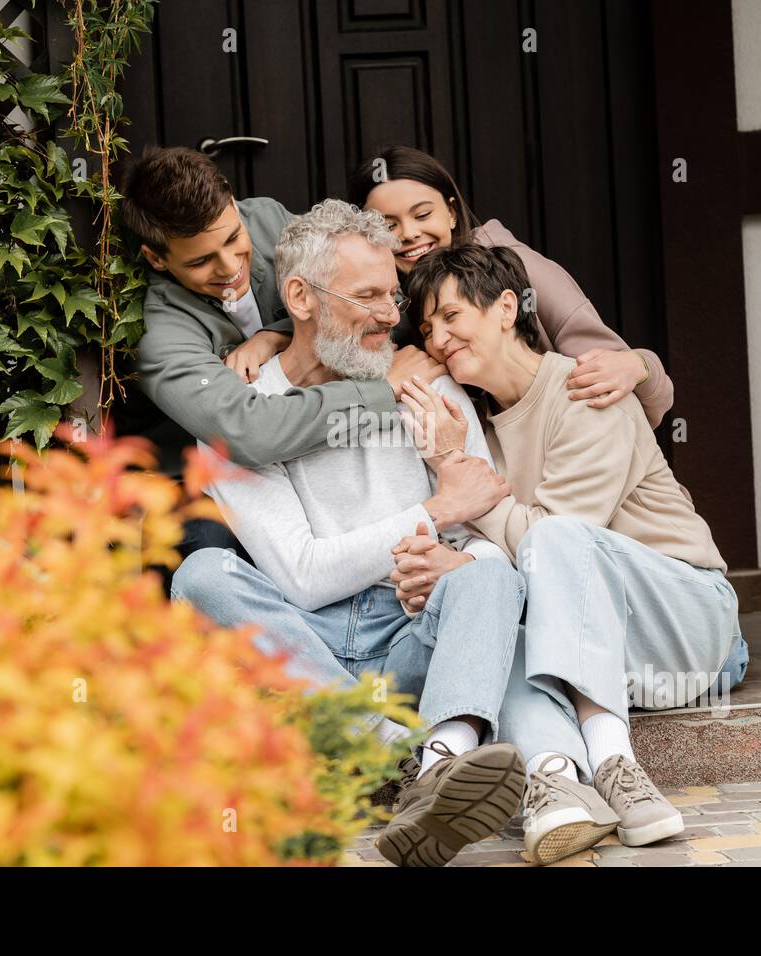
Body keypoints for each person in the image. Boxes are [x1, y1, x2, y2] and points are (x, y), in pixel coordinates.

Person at [169, 200, 535, 868]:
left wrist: (459, 557)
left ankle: (441, 761)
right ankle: (407, 760)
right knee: (200, 577)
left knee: (488, 570)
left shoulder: (428, 386)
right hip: (303, 656)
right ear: (300, 298)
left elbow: (480, 517)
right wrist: (432, 513)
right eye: (367, 297)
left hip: (409, 640)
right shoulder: (247, 413)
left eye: (393, 295)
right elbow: (303, 578)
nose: (391, 315)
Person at [394, 241, 749, 866]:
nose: (440, 339)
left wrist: (458, 475)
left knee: (553, 538)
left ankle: (615, 762)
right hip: (598, 654)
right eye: (427, 330)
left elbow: (546, 540)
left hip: (684, 621)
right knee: (498, 633)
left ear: (507, 308)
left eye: (451, 316)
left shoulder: (586, 390)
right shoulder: (477, 427)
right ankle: (556, 784)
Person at [118, 146, 444, 582]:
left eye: (233, 239)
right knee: (201, 548)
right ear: (156, 258)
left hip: (317, 447)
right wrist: (381, 390)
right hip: (213, 476)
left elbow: (379, 294)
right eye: (200, 261)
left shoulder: (270, 221)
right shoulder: (160, 331)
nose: (229, 267)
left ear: (234, 204)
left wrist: (274, 335)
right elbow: (248, 434)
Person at [346, 144, 675, 428]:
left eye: (422, 215)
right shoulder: (387, 309)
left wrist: (640, 366)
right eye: (388, 225)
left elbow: (619, 375)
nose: (409, 233)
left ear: (451, 212)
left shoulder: (516, 268)